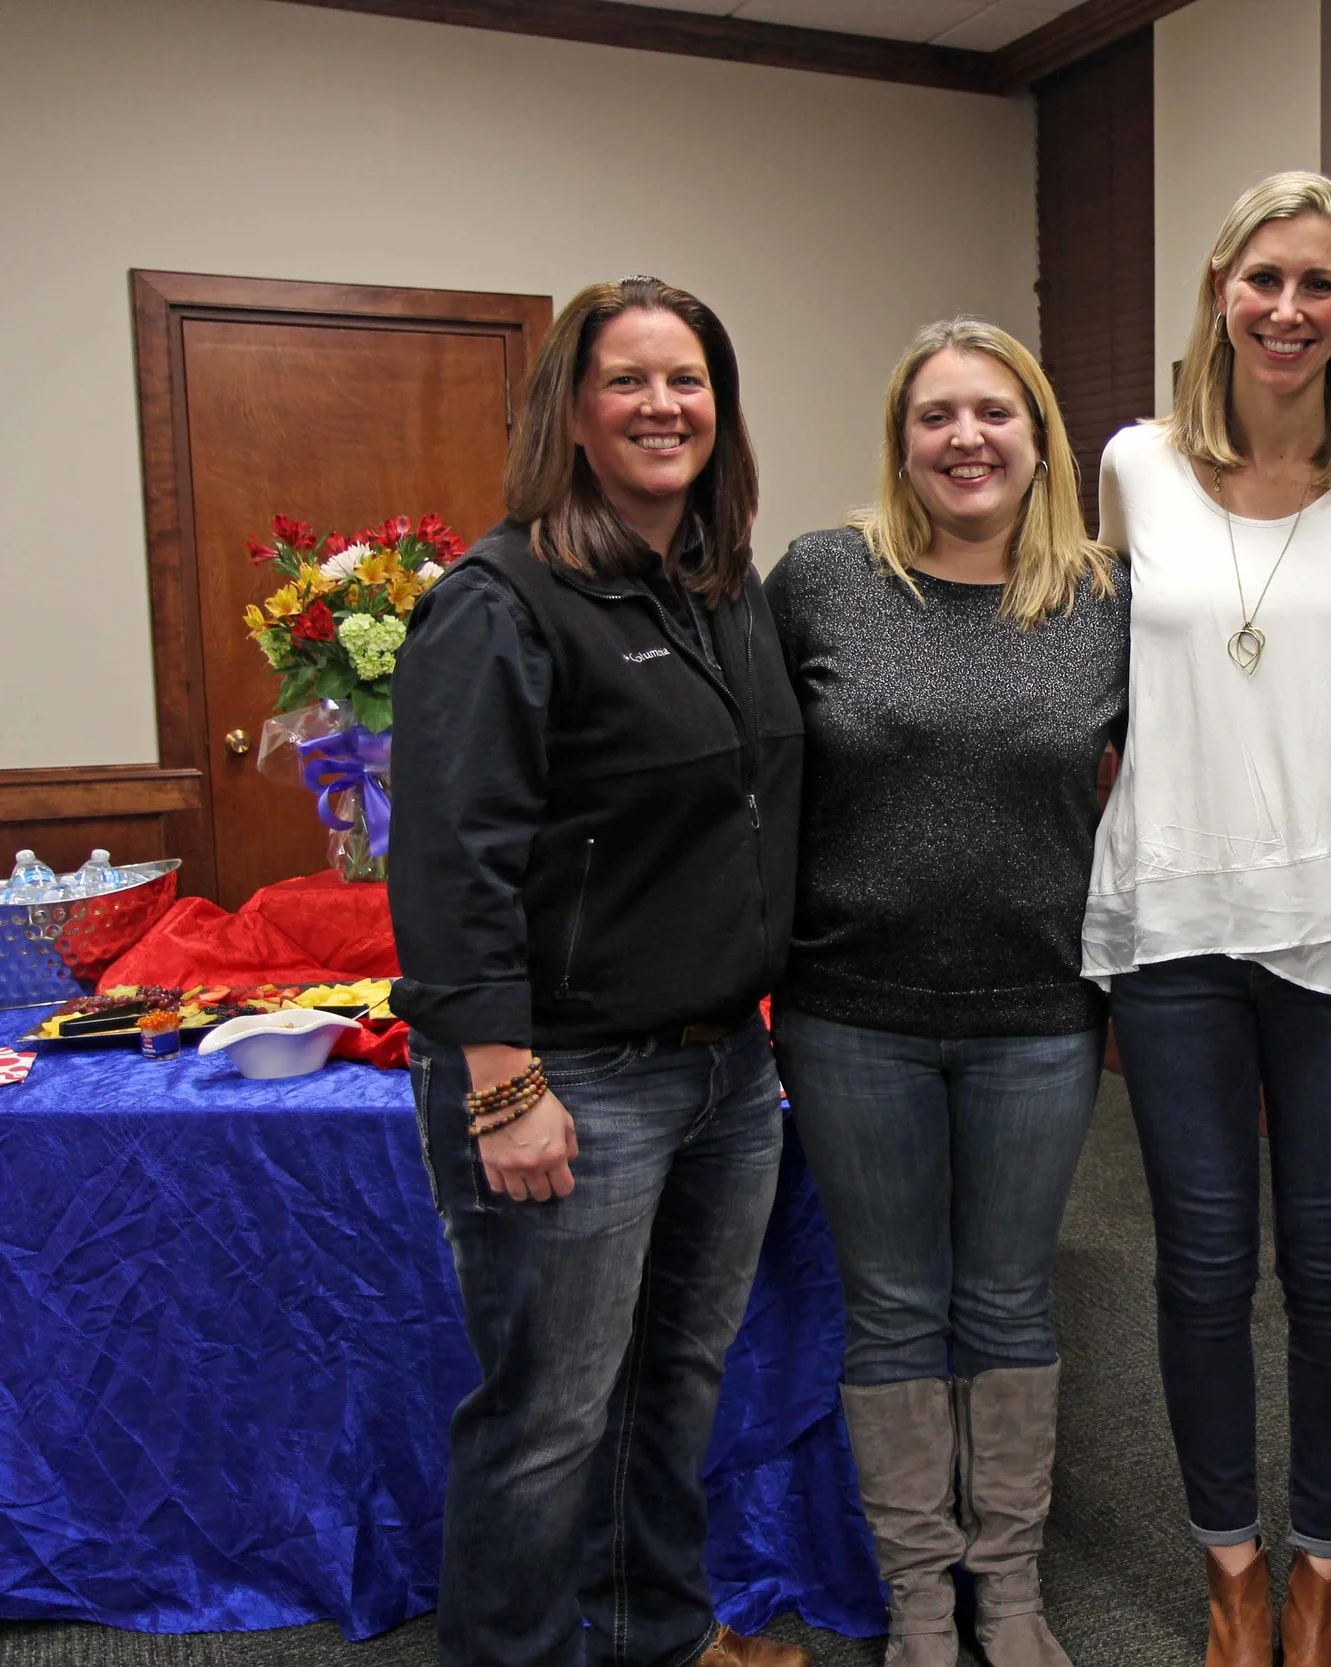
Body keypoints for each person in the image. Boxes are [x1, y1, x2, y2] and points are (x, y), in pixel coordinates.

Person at [389, 276, 807, 1667]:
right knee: (547, 1416)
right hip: (572, 1078)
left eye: (687, 380)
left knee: (671, 1389)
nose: (661, 406)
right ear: (569, 413)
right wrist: (504, 1085)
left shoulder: (723, 590)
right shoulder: (499, 602)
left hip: (726, 1070)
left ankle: (657, 1639)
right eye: (627, 380)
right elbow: (450, 864)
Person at [1082, 170, 1331, 1667]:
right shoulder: (1134, 463)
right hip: (1173, 908)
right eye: (1263, 280)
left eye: (1318, 284)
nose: (1288, 310)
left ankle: (1324, 1570)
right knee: (1202, 1260)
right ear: (1220, 292)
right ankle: (1232, 1564)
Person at [764, 318, 1124, 1667]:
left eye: (994, 412)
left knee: (1010, 1300)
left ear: (1040, 439)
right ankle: (921, 1596)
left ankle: (1008, 1588)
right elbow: (748, 777)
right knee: (896, 1304)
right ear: (901, 439)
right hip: (850, 1012)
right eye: (937, 416)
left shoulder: (1104, 599)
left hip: (1039, 1016)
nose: (966, 438)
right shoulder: (823, 578)